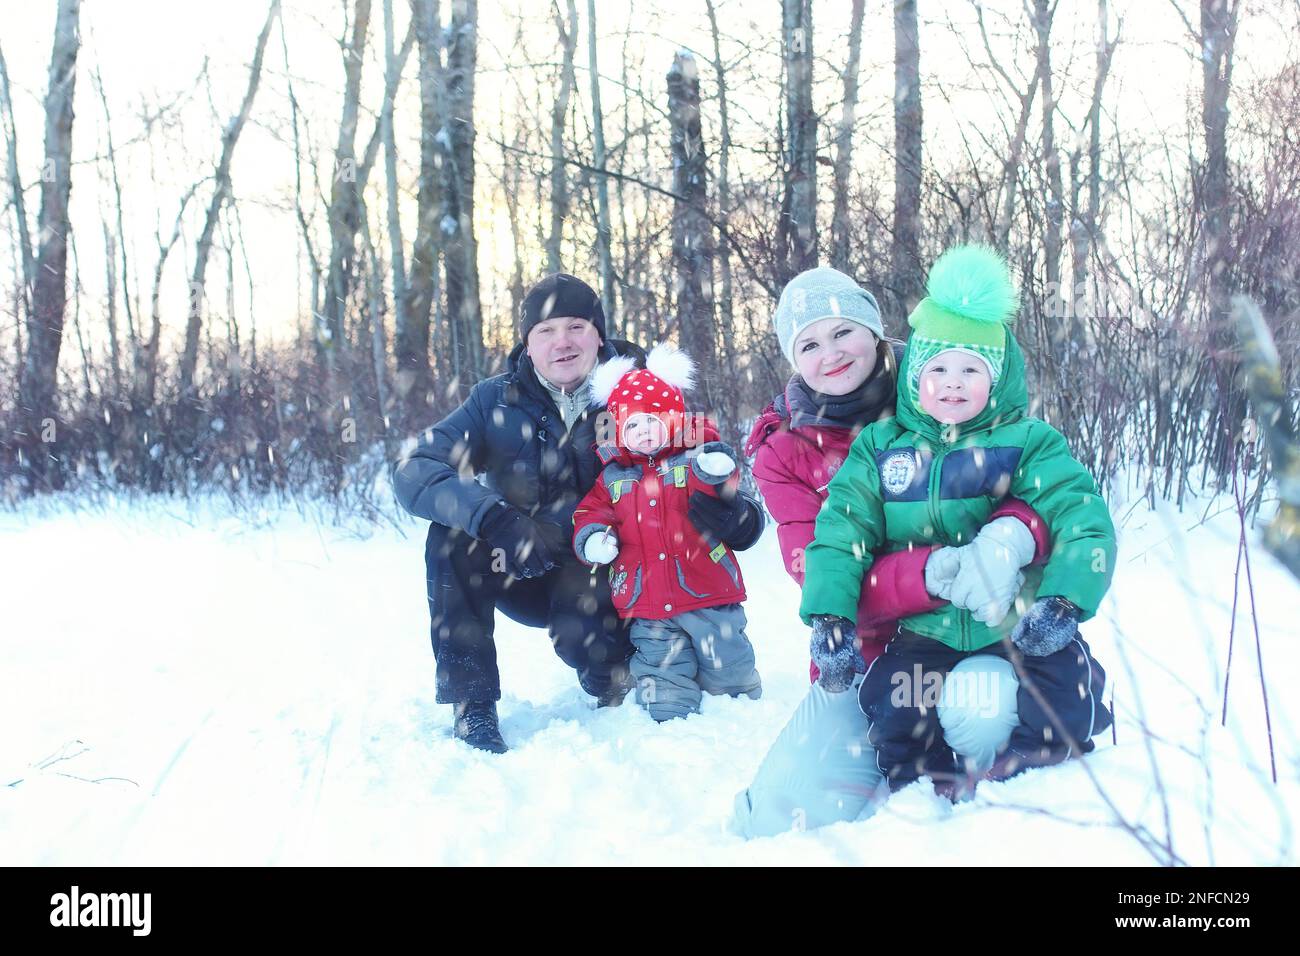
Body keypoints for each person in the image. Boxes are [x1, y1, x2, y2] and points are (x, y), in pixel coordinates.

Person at [733, 266, 1049, 837]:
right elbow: (826, 580)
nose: (830, 353)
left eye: (843, 331)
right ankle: (896, 752)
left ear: (876, 330)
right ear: (792, 359)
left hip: (978, 635)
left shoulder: (944, 380)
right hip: (867, 659)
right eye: (808, 342)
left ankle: (976, 793)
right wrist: (930, 572)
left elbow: (1038, 481)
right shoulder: (784, 455)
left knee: (982, 715)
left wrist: (1010, 534)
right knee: (777, 817)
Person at [393, 274, 765, 753]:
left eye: (575, 326)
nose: (562, 342)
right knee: (449, 538)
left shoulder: (638, 389)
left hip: (608, 573)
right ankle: (473, 704)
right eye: (545, 331)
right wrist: (497, 519)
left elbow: (704, 460)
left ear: (599, 334)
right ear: (528, 344)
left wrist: (740, 517)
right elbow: (413, 468)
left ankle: (619, 673)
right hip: (520, 559)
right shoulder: (493, 401)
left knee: (593, 652)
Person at [799, 245, 1115, 795]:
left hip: (1012, 618)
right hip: (928, 628)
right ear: (915, 375)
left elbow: (1082, 516)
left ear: (997, 380)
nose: (952, 381)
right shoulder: (882, 447)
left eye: (972, 368)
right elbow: (840, 532)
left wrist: (1063, 600)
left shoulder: (1028, 443)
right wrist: (831, 617)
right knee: (893, 709)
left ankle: (1030, 764)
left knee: (1065, 691)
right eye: (937, 367)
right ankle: (926, 780)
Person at [573, 343, 763, 722]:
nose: (642, 432)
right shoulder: (612, 477)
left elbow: (719, 487)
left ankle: (737, 705)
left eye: (651, 422)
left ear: (671, 421)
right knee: (659, 668)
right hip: (648, 600)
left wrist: (715, 469)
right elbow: (589, 512)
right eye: (631, 425)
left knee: (728, 664)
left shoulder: (692, 460)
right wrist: (594, 538)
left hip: (707, 591)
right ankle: (668, 709)